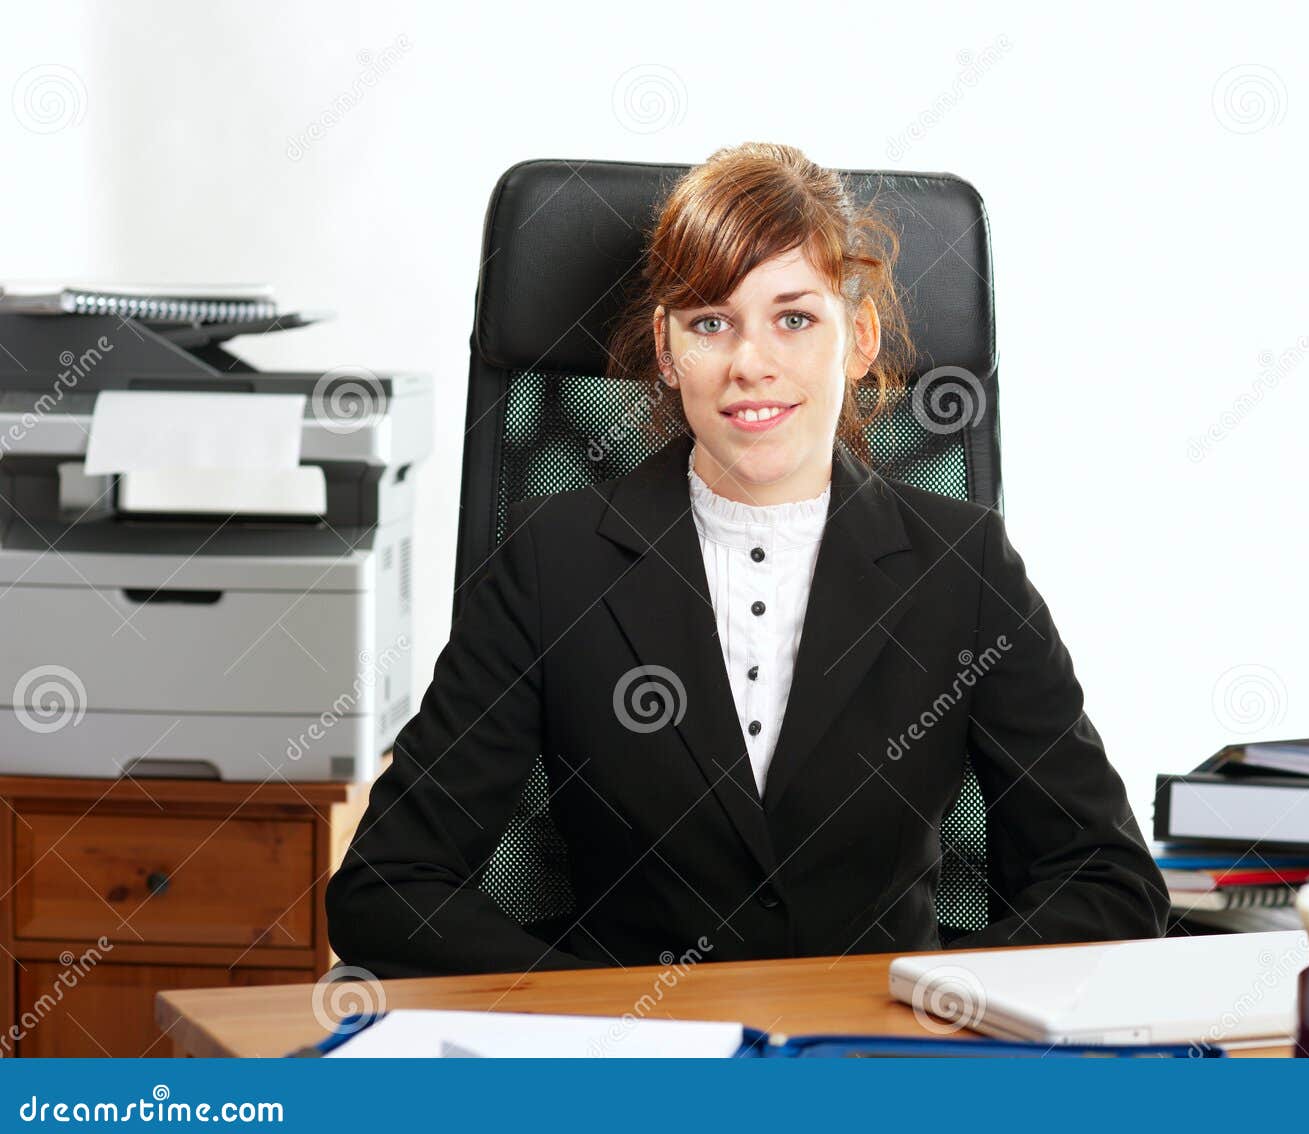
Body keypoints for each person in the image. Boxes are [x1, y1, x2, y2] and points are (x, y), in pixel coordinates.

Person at [326, 142, 1168, 978]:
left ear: (860, 339)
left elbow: (1109, 882)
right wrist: (595, 1021)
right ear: (665, 349)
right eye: (710, 323)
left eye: (794, 318)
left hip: (879, 1069)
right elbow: (389, 889)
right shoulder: (555, 561)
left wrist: (929, 999)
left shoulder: (964, 565)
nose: (750, 364)